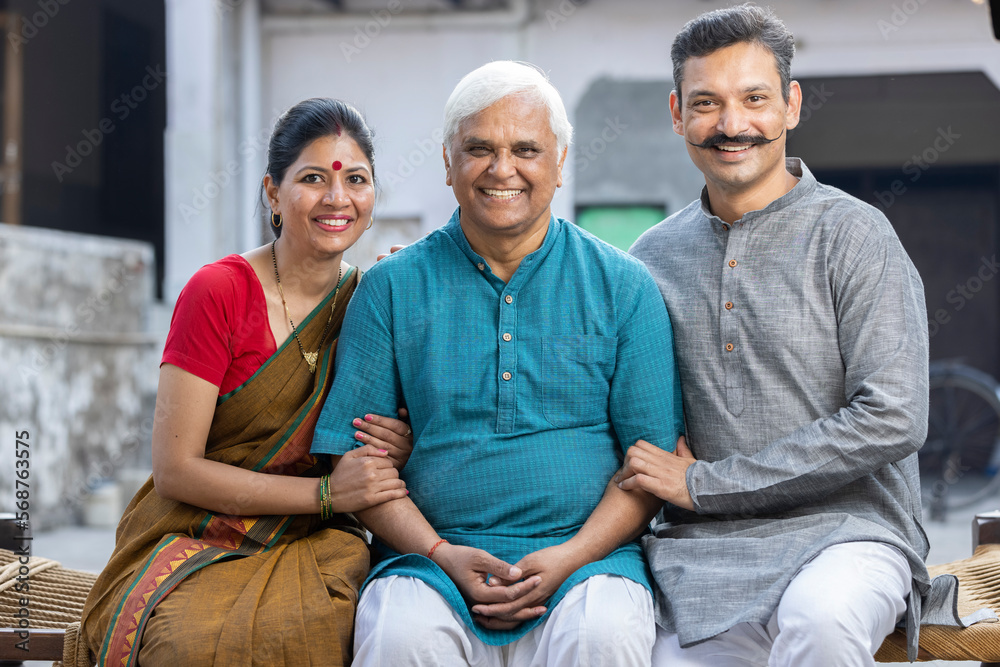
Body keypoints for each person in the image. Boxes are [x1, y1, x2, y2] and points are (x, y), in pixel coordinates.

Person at [625, 4, 978, 665]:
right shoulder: (650, 258)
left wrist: (707, 482)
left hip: (848, 538)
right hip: (698, 558)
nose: (732, 125)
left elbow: (893, 417)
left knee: (820, 621)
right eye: (707, 103)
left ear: (790, 105)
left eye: (753, 99)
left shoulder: (854, 236)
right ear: (677, 114)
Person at [311, 61, 684, 666]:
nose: (501, 168)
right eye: (479, 148)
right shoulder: (390, 288)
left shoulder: (624, 286)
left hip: (589, 566)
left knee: (604, 639)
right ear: (449, 162)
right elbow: (356, 467)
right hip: (428, 568)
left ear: (561, 162)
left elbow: (651, 467)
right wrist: (438, 553)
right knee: (398, 638)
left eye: (526, 149)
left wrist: (571, 555)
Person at [80, 98, 414, 667]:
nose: (338, 199)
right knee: (185, 644)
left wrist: (396, 446)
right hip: (195, 535)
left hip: (311, 542)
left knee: (345, 622)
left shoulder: (375, 298)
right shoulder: (219, 292)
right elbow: (176, 469)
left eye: (356, 180)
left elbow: (393, 435)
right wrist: (326, 495)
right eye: (313, 178)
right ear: (271, 193)